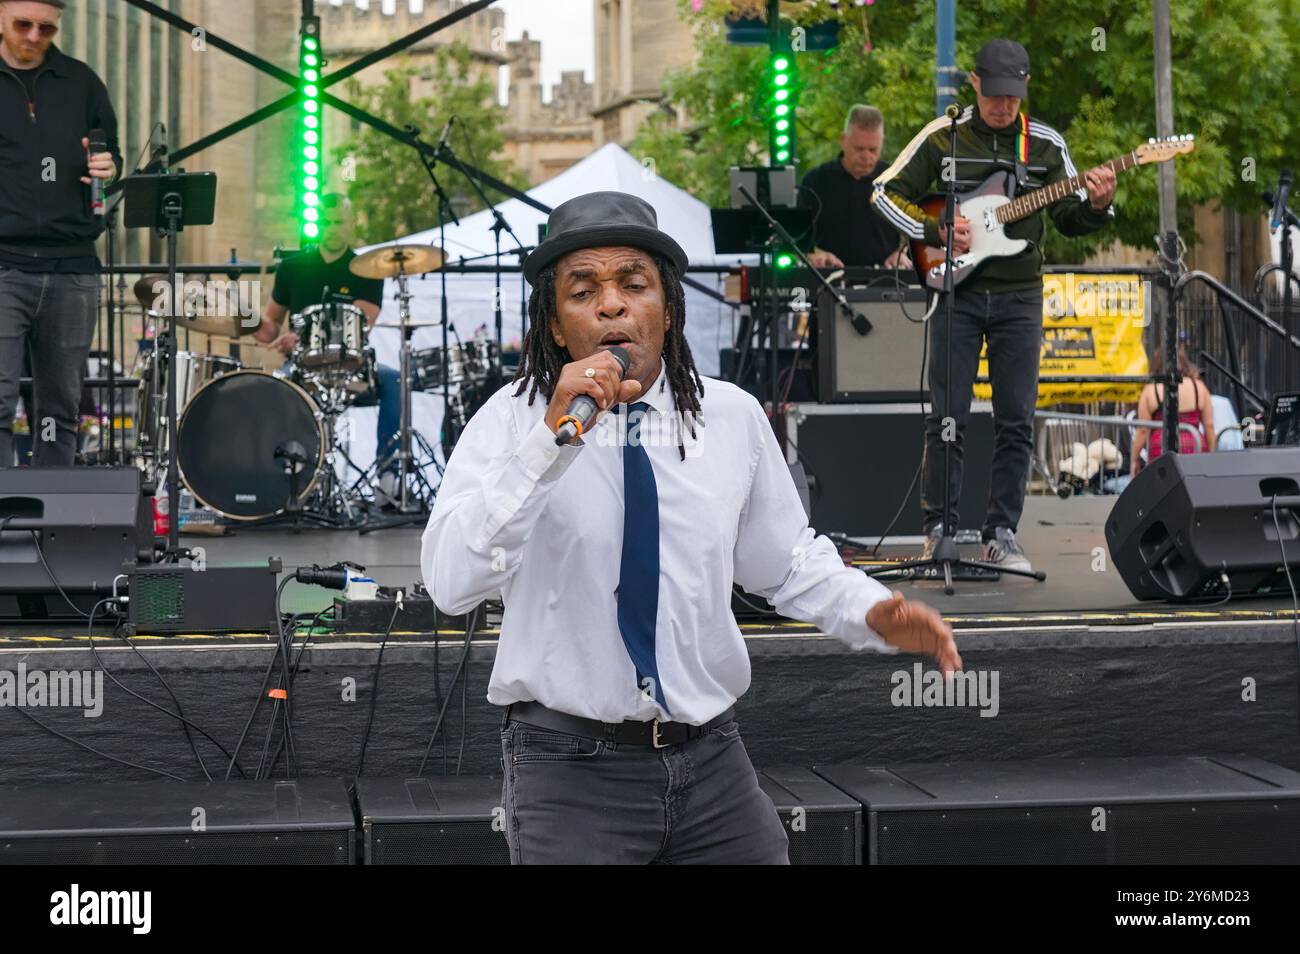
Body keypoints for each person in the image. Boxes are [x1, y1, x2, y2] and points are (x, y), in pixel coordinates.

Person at [421, 191, 961, 865]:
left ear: (668, 309)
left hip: (712, 765)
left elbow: (788, 563)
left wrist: (872, 611)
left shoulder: (729, 417)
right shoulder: (509, 421)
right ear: (556, 327)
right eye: (584, 291)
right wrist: (546, 446)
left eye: (633, 284)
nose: (612, 305)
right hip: (570, 772)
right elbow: (450, 583)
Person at [872, 39, 1116, 572]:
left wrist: (1099, 205)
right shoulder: (944, 136)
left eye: (1014, 96)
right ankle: (940, 531)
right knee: (947, 417)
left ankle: (1002, 532)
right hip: (957, 295)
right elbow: (884, 191)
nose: (1004, 106)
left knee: (1016, 419)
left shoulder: (1046, 145)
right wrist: (933, 229)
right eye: (995, 95)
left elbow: (1073, 221)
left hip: (1020, 295)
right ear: (976, 84)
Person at [0, 0, 120, 467]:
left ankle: (52, 521)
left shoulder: (81, 81)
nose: (33, 36)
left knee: (60, 407)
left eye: (46, 28)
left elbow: (110, 157)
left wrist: (108, 167)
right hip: (4, 263)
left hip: (72, 265)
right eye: (23, 25)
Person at [252, 193, 403, 502]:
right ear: (316, 223)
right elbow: (269, 327)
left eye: (339, 222)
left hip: (353, 365)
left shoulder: (367, 268)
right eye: (326, 221)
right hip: (302, 366)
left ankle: (388, 476)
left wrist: (302, 334)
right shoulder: (291, 268)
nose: (332, 228)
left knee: (394, 380)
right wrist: (240, 316)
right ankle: (287, 479)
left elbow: (362, 321)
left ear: (350, 224)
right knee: (274, 388)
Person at [799, 105, 909, 270]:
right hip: (828, 278)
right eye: (859, 149)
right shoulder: (815, 180)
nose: (866, 157)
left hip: (885, 280)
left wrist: (902, 252)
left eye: (873, 150)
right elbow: (797, 237)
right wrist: (814, 252)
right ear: (843, 140)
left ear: (881, 143)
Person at [1131, 343, 1215, 474]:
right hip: (1195, 447)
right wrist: (1212, 455)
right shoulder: (1199, 387)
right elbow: (1209, 426)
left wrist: (1134, 459)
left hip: (1161, 449)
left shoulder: (1150, 391)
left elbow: (1142, 430)